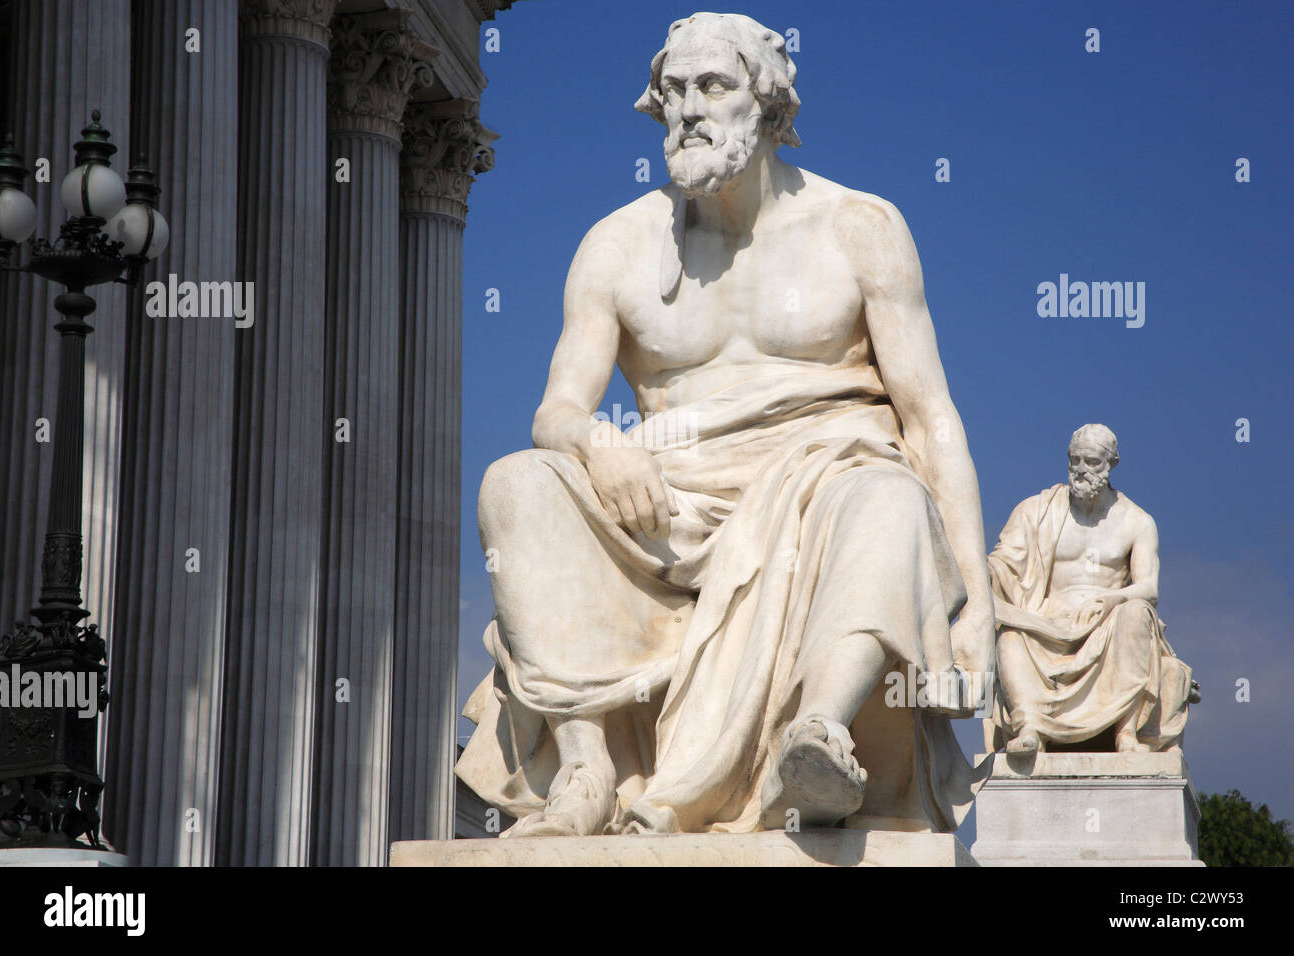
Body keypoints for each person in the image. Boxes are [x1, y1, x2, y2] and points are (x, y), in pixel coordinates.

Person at [457, 12, 994, 837]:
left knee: (887, 495)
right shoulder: (617, 245)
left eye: (713, 86)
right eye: (673, 90)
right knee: (517, 484)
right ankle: (587, 770)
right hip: (669, 499)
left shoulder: (861, 228)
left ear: (769, 104)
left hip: (827, 479)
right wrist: (599, 442)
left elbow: (931, 421)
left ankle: (819, 734)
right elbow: (556, 410)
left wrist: (977, 609)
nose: (689, 109)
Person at [988, 423, 1196, 755]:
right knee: (1010, 634)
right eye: (1075, 460)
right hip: (1047, 622)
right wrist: (977, 571)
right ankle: (1030, 727)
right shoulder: (1037, 511)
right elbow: (1001, 566)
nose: (1082, 470)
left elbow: (1148, 588)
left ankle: (1125, 732)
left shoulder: (1136, 521)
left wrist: (1113, 598)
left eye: (1092, 462)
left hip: (1107, 622)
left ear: (1112, 463)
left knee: (1136, 613)